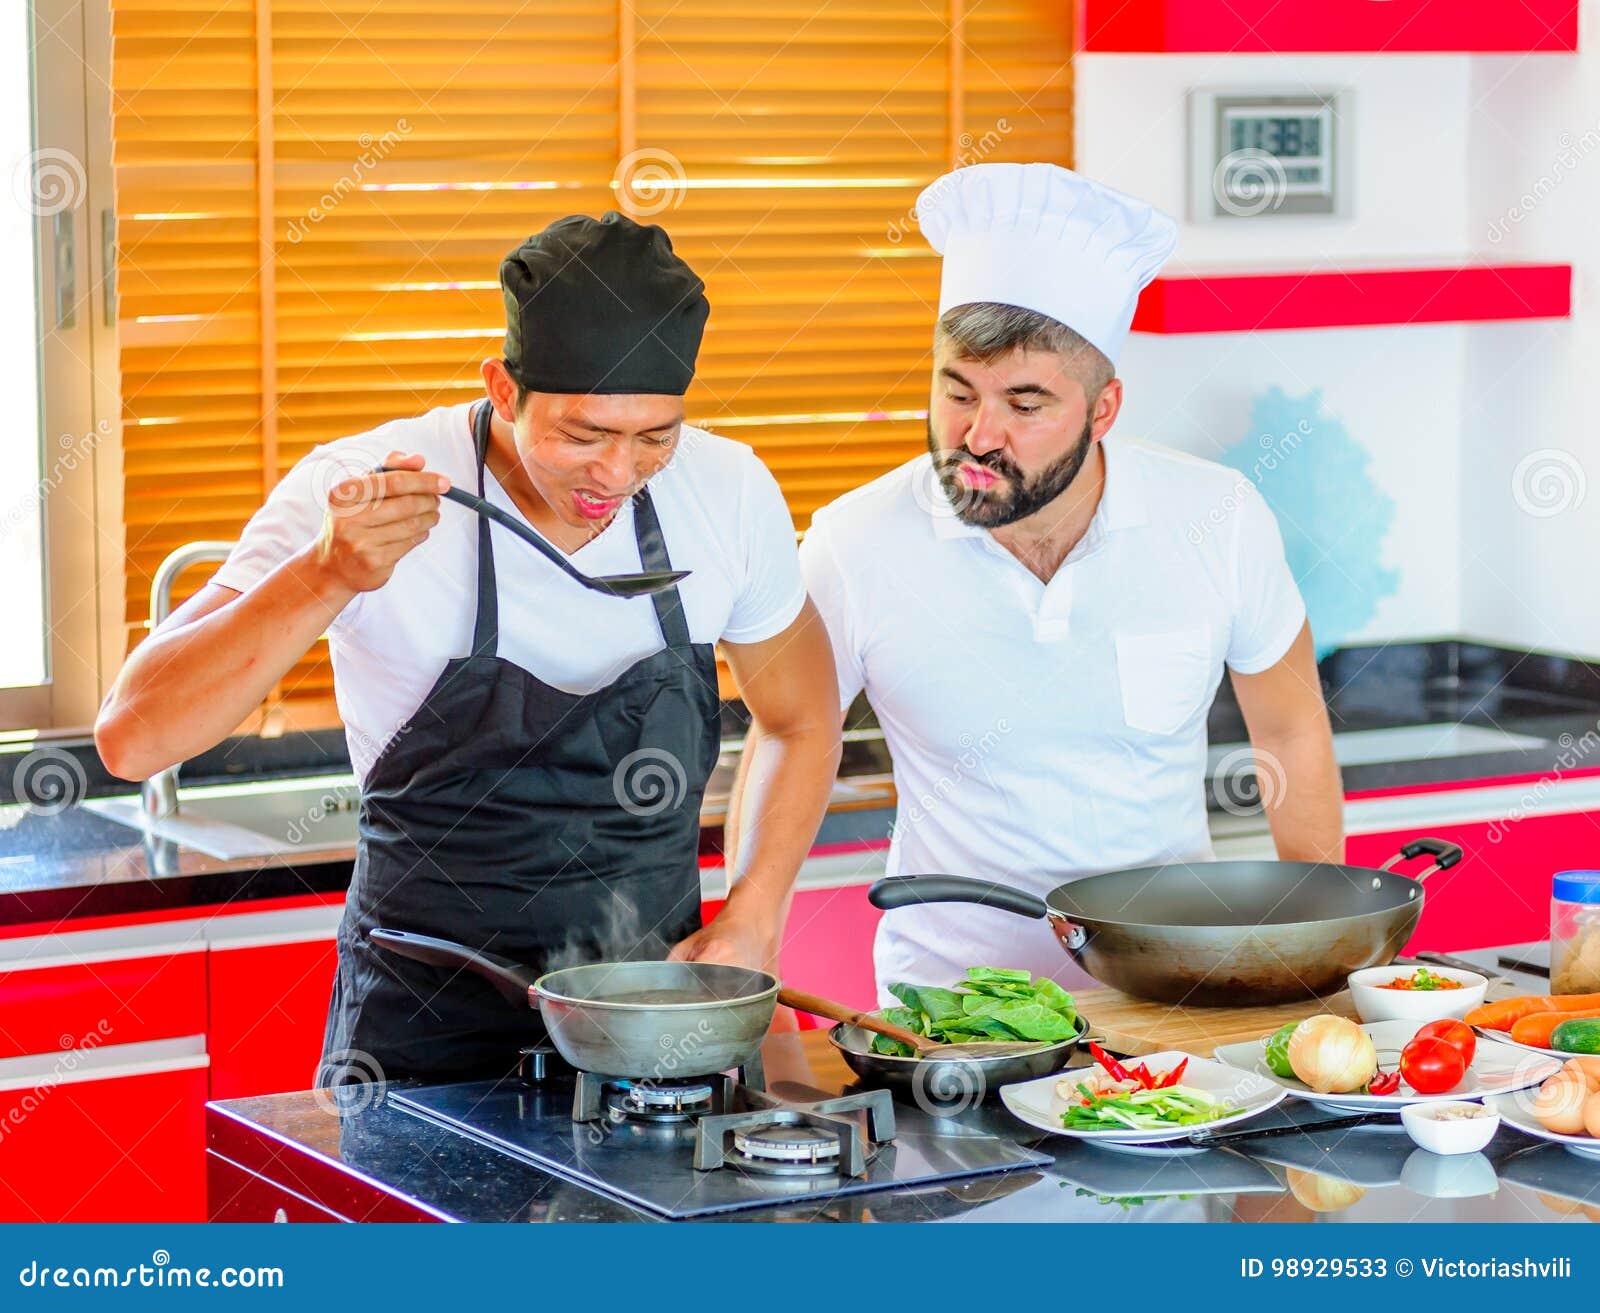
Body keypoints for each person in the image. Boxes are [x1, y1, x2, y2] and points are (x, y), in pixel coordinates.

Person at [96, 212, 842, 1078]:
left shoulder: (729, 492)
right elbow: (134, 737)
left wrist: (756, 910)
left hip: (651, 1032)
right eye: (582, 435)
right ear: (503, 389)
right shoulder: (361, 487)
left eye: (654, 438)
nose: (615, 474)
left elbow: (801, 718)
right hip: (416, 1041)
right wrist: (325, 574)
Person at [731, 164, 1342, 1000]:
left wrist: (1323, 946)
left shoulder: (1218, 518)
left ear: (1103, 409)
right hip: (952, 1011)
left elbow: (1290, 727)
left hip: (1170, 996)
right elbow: (790, 729)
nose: (979, 436)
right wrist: (753, 921)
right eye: (957, 392)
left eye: (1025, 405)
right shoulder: (854, 541)